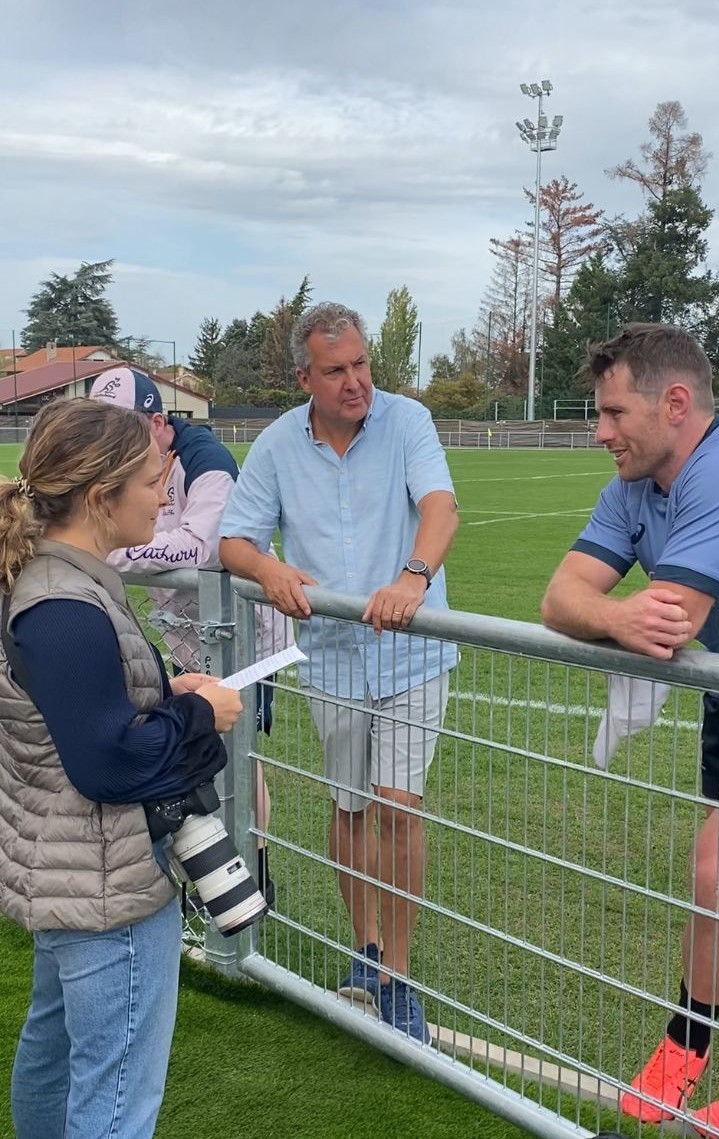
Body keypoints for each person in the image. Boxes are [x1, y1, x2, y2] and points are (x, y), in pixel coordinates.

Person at [540, 323, 719, 1136]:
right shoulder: (631, 486)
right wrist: (614, 615)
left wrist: (621, 613)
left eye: (612, 413)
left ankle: (687, 1038)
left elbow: (669, 619)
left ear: (674, 403)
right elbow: (559, 599)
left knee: (718, 866)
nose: (599, 432)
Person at [0, 398, 242, 1138]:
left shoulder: (57, 582)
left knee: (55, 1052)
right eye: (149, 480)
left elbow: (76, 712)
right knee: (114, 1099)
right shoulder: (63, 604)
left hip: (70, 868)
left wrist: (162, 693)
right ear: (102, 496)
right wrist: (199, 715)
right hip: (105, 881)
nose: (164, 496)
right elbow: (106, 761)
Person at [218, 301, 459, 1043]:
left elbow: (441, 508)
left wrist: (414, 576)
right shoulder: (276, 445)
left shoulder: (408, 421)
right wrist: (269, 569)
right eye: (335, 370)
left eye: (361, 363)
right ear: (304, 378)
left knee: (398, 806)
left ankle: (400, 977)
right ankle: (367, 950)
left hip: (412, 655)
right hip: (331, 659)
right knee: (350, 806)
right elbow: (234, 540)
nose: (355, 381)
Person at [90, 365, 293, 904]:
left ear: (158, 423)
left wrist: (110, 552)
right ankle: (209, 871)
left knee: (235, 752)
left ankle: (253, 869)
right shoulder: (117, 469)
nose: (110, 442)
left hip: (243, 635)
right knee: (194, 749)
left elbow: (200, 546)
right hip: (187, 635)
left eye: (124, 428)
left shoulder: (206, 460)